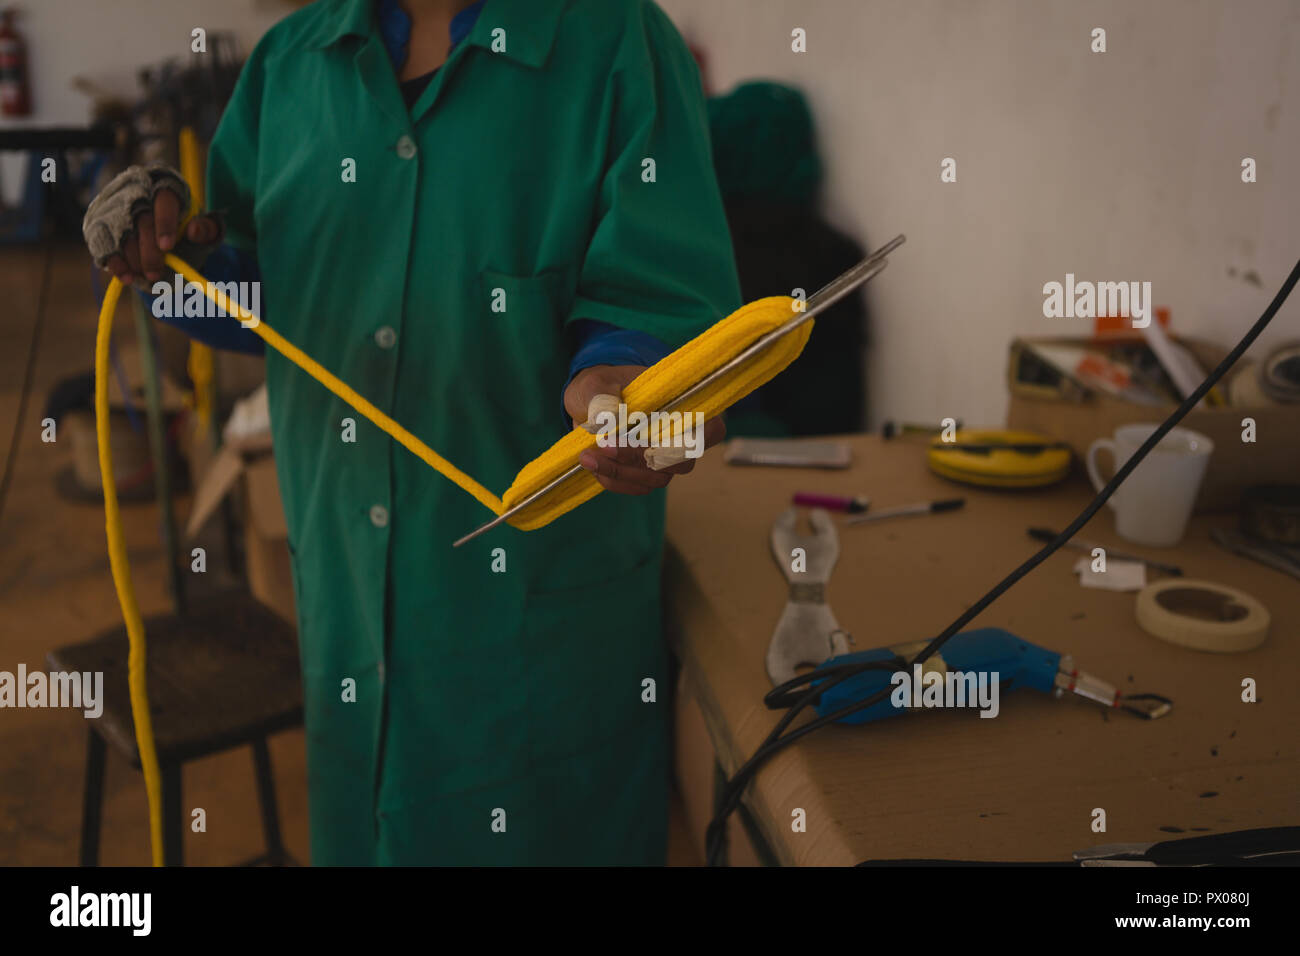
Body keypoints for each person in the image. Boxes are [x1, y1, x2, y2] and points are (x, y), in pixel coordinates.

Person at [82, 0, 740, 865]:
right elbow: (256, 285)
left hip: (535, 624)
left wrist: (624, 379)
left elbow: (661, 293)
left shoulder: (616, 43)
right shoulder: (291, 62)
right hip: (349, 584)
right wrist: (167, 258)